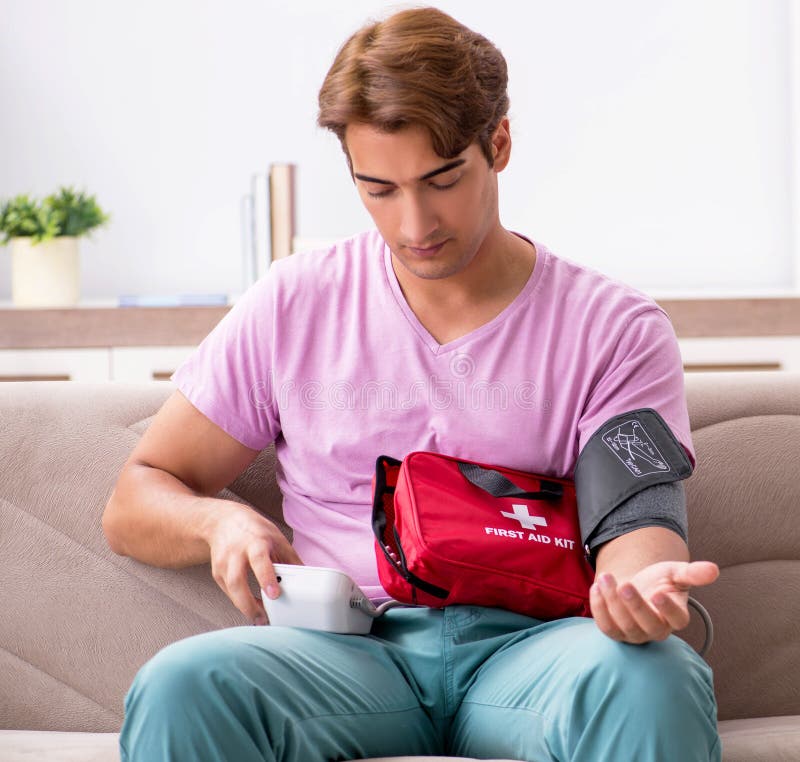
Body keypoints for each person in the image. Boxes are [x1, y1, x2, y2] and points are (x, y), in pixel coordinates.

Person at [103, 7, 722, 761]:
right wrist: (217, 524)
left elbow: (639, 531)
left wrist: (636, 594)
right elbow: (135, 496)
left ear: (497, 143)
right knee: (180, 683)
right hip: (346, 652)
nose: (414, 223)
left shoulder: (613, 328)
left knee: (653, 680)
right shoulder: (294, 303)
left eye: (442, 179)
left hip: (540, 655)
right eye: (379, 189)